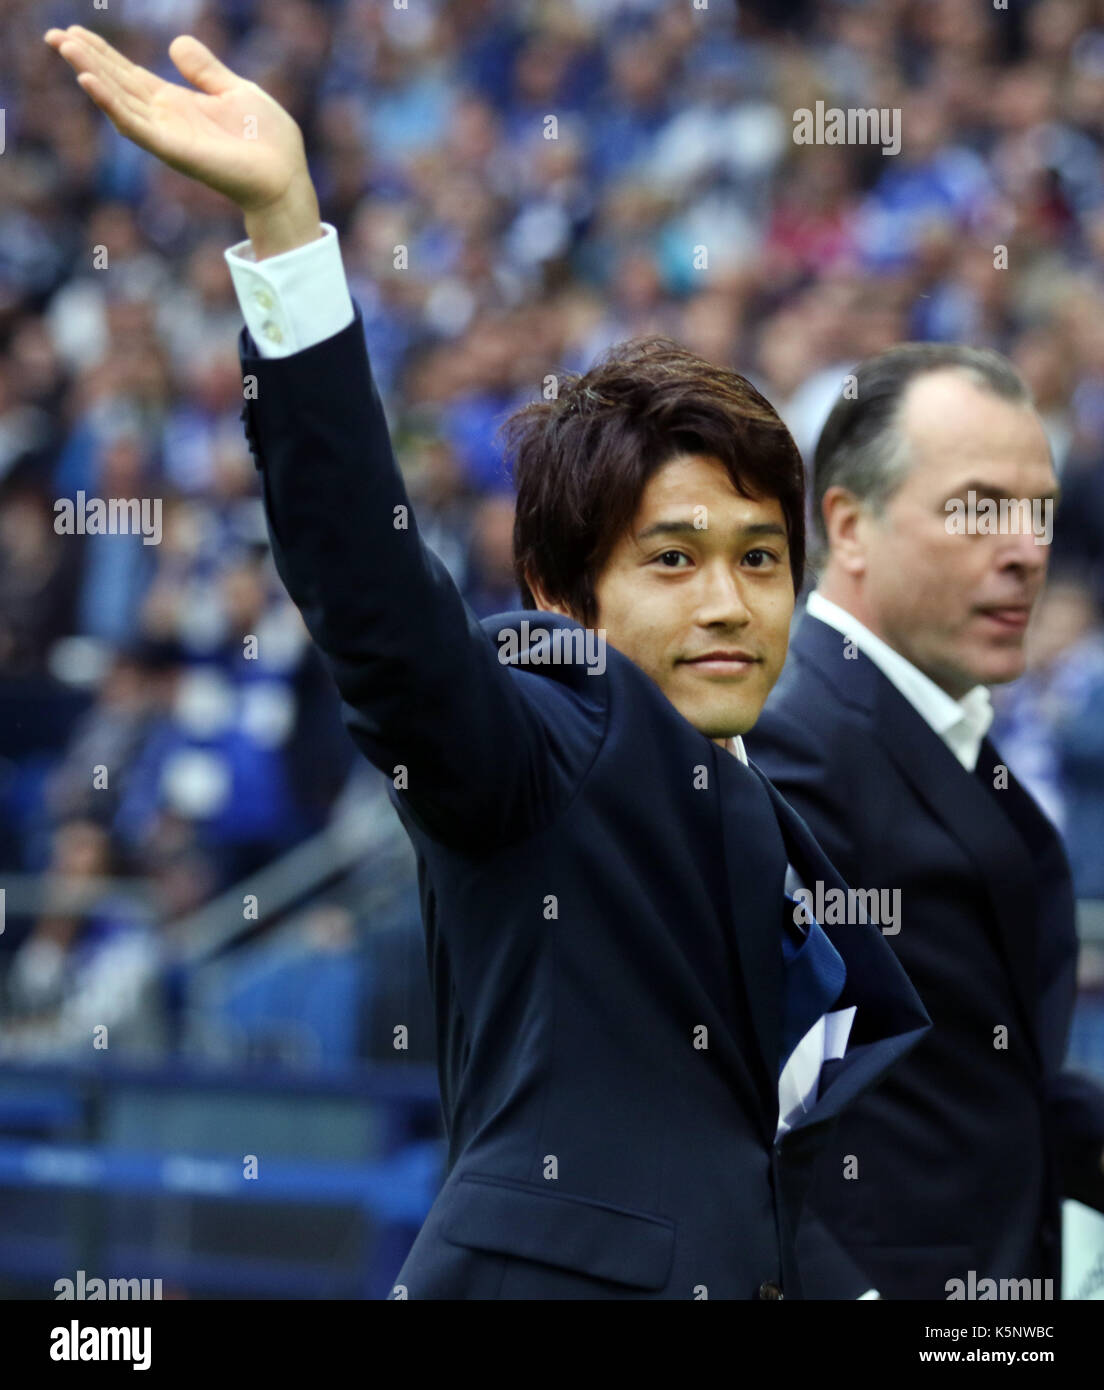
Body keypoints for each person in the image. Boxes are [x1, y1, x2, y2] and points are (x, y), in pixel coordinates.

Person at [45, 25, 928, 1300]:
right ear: (565, 598)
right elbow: (379, 610)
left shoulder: (790, 832)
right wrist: (289, 230)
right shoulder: (552, 742)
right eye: (671, 560)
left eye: (759, 557)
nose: (730, 601)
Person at [746, 343, 1104, 1298]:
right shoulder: (789, 740)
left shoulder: (940, 725)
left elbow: (986, 1077)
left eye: (1039, 512)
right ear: (849, 527)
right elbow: (736, 1107)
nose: (1027, 548)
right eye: (979, 509)